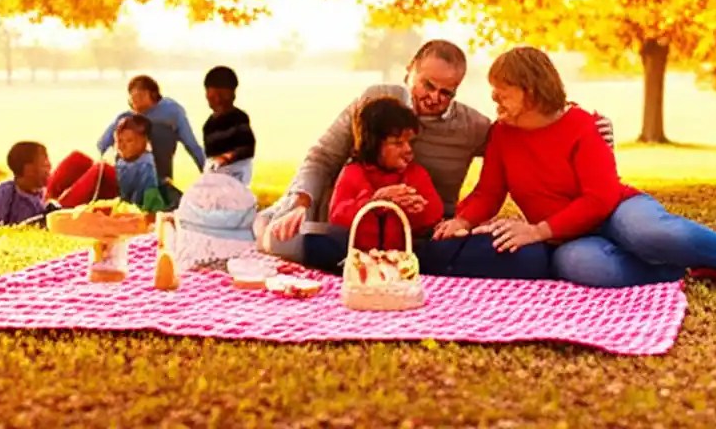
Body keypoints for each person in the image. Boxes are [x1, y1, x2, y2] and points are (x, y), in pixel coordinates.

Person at [429, 47, 716, 287]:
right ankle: (683, 272)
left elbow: (601, 197)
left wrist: (537, 230)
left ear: (531, 92)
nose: (495, 101)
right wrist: (463, 220)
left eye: (503, 93)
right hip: (564, 234)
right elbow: (488, 192)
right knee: (577, 265)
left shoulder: (581, 126)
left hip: (615, 210)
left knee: (649, 232)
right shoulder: (504, 134)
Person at [254, 39, 615, 264]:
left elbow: (526, 137)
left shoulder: (472, 126)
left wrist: (579, 124)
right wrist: (300, 203)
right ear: (410, 71)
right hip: (350, 222)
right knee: (275, 235)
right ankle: (265, 221)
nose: (435, 98)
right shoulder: (376, 102)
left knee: (520, 257)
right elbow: (322, 157)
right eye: (428, 84)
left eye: (447, 92)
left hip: (427, 232)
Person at [312, 96, 442, 272]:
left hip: (400, 265)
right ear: (373, 144)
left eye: (410, 142)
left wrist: (415, 209)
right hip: (358, 265)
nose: (408, 149)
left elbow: (434, 213)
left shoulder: (415, 174)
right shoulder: (354, 173)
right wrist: (375, 202)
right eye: (397, 143)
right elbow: (338, 216)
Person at [48, 74, 206, 207]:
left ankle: (59, 208)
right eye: (133, 97)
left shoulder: (171, 113)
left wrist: (209, 176)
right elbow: (102, 144)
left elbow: (193, 146)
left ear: (153, 95)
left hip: (143, 181)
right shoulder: (126, 117)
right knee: (77, 159)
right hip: (123, 170)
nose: (136, 102)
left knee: (99, 171)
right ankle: (45, 199)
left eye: (140, 96)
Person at [201, 66, 257, 187]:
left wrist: (226, 158)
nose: (217, 100)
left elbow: (248, 148)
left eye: (222, 96)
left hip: (237, 173)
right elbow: (210, 157)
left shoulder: (239, 118)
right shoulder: (209, 126)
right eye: (212, 97)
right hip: (217, 174)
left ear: (233, 95)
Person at [111, 114, 169, 212]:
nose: (122, 146)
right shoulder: (121, 159)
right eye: (119, 141)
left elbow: (145, 195)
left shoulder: (145, 164)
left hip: (136, 207)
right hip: (119, 200)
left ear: (143, 142)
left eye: (129, 141)